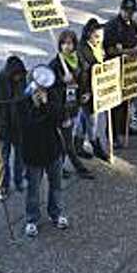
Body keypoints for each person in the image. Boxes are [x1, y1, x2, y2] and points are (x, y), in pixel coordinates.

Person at [19, 66, 68, 238]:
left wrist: (46, 105)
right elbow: (27, 124)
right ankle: (32, 219)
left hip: (52, 150)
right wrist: (36, 106)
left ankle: (56, 213)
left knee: (56, 186)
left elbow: (60, 117)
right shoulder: (23, 100)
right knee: (33, 189)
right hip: (33, 153)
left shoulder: (51, 96)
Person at [49, 31, 93, 179]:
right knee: (67, 142)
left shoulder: (77, 59)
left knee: (63, 142)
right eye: (64, 43)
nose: (67, 47)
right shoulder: (55, 65)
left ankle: (58, 168)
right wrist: (62, 81)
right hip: (62, 110)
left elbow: (84, 78)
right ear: (60, 45)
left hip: (75, 106)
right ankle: (79, 168)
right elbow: (51, 91)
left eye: (70, 43)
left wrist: (86, 92)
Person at [0, 56, 28, 199]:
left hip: (19, 126)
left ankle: (19, 181)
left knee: (20, 157)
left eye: (20, 75)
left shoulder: (23, 77)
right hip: (4, 127)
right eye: (16, 76)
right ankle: (4, 185)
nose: (18, 78)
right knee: (4, 158)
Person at [103, 0, 137, 138]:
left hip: (129, 69)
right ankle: (112, 134)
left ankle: (124, 127)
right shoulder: (112, 26)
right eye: (126, 11)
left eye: (131, 12)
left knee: (127, 99)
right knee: (115, 103)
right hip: (115, 70)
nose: (129, 14)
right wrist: (127, 51)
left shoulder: (132, 24)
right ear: (120, 10)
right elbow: (109, 51)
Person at [76, 20, 110, 162]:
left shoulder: (99, 46)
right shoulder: (82, 50)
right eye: (96, 37)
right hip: (87, 91)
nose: (99, 40)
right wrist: (86, 92)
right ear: (89, 34)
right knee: (91, 119)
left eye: (101, 37)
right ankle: (95, 144)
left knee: (85, 119)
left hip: (97, 88)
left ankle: (78, 143)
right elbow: (83, 73)